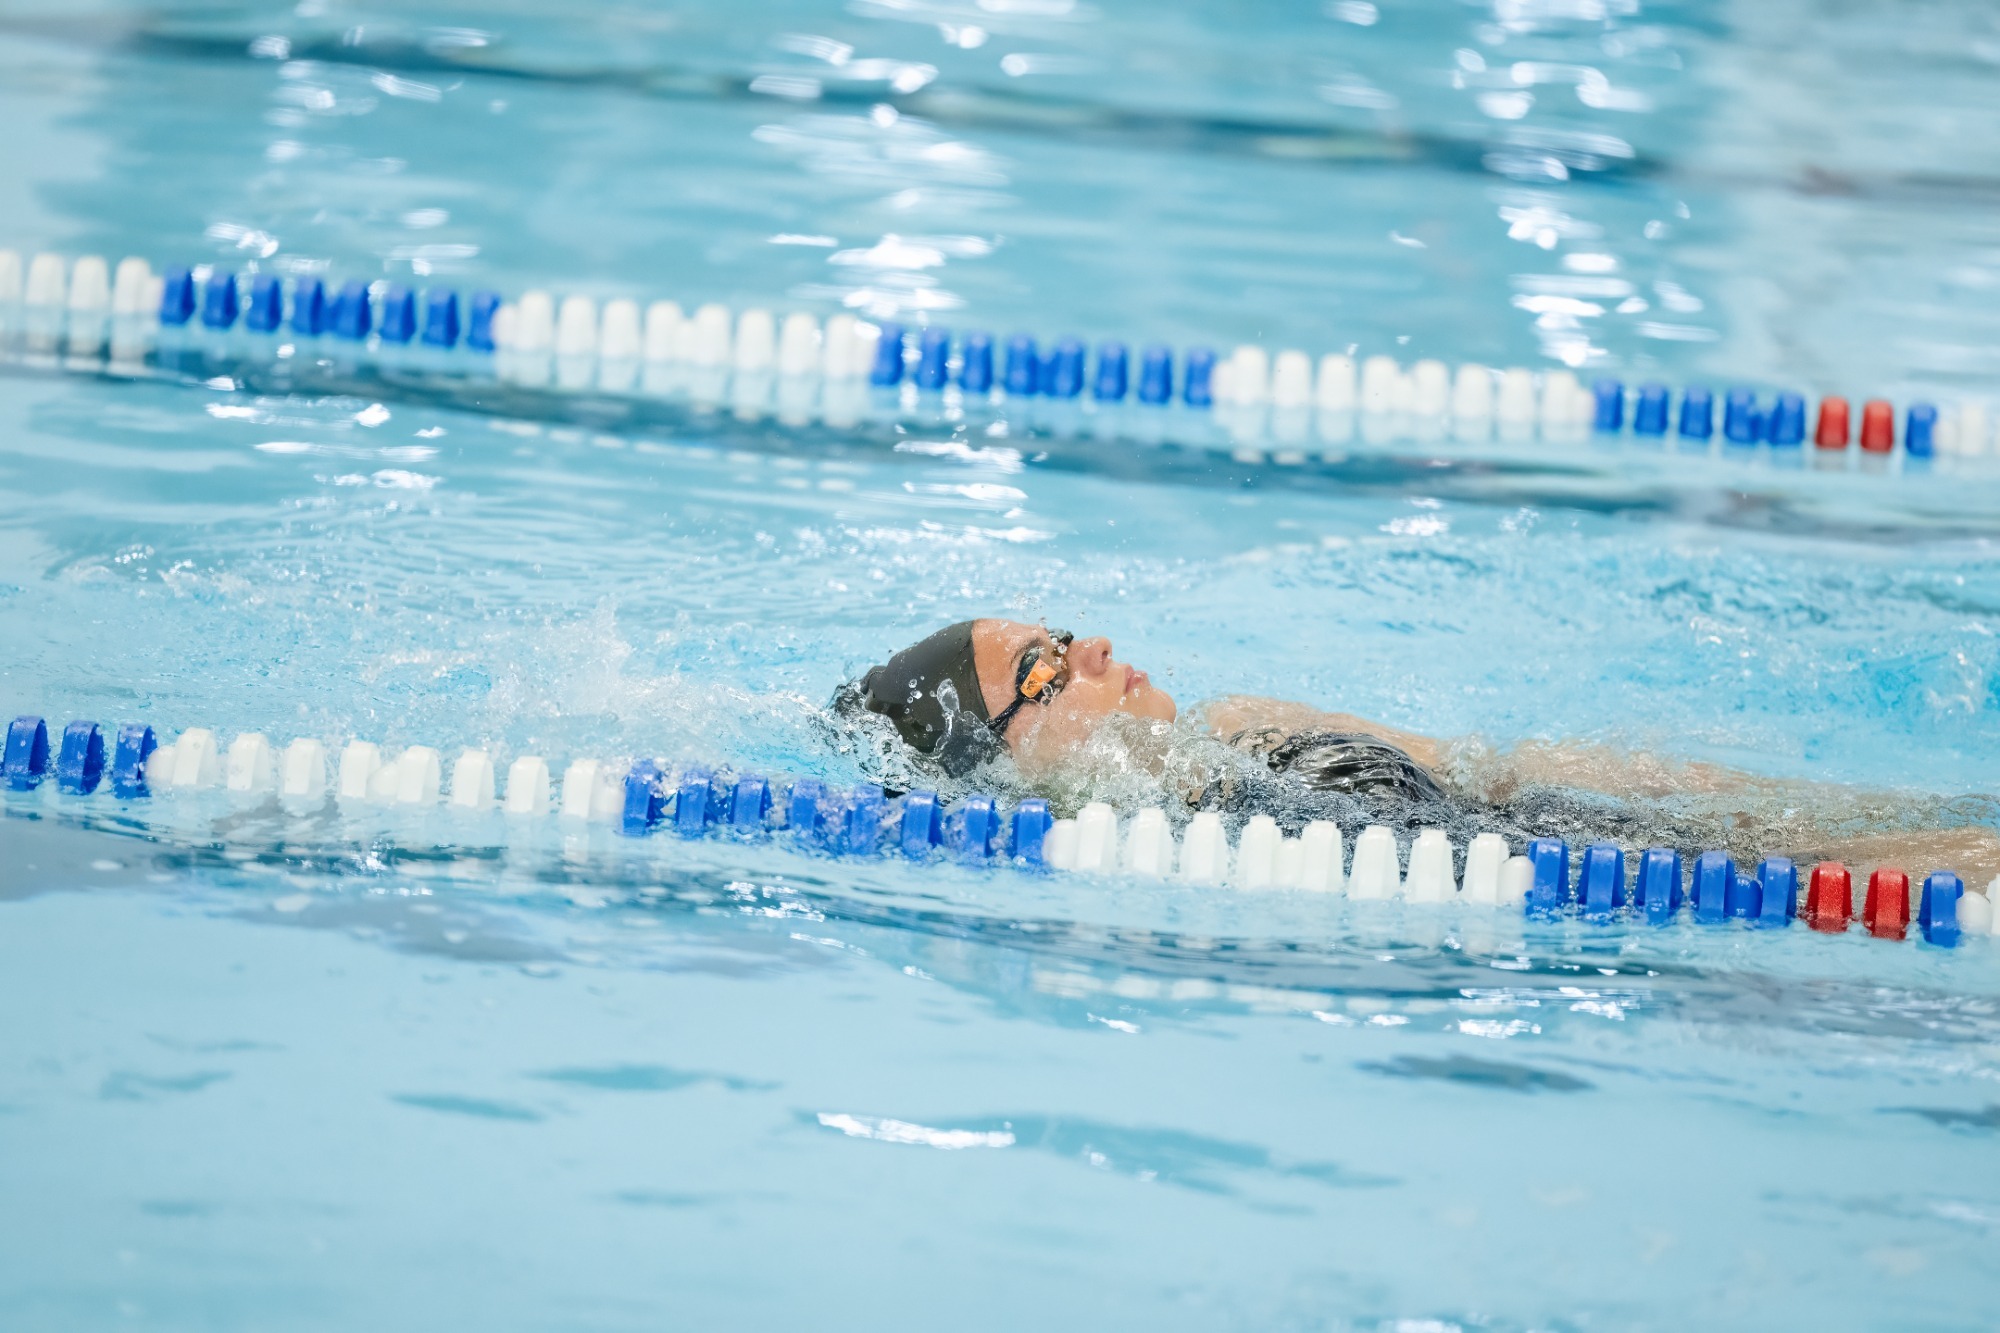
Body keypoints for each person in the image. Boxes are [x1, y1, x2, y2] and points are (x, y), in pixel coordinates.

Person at [837, 618, 2000, 886]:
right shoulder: (1171, 849)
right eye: (1048, 672)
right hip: (1584, 883)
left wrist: (1843, 806)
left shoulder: (1242, 719)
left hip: (1583, 831)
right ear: (1007, 766)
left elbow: (1511, 767)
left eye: (1058, 633)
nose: (1092, 645)